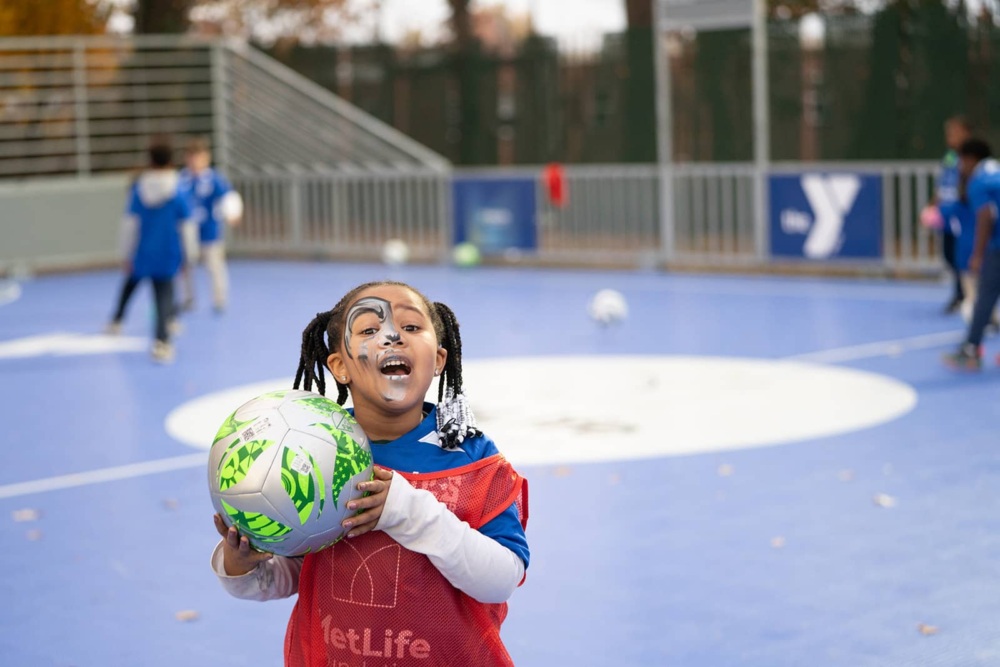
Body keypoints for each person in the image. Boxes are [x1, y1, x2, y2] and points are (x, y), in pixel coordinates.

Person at [210, 281, 530, 666]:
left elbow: (500, 581)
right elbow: (297, 573)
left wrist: (407, 511)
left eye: (411, 328)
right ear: (340, 366)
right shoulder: (312, 455)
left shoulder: (472, 459)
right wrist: (243, 567)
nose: (393, 336)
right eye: (368, 330)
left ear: (439, 359)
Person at [105, 136, 193, 363]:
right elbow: (186, 225)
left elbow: (130, 224)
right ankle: (162, 342)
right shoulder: (179, 190)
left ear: (150, 160)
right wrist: (190, 255)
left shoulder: (138, 188)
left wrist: (126, 253)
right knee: (163, 294)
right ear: (171, 160)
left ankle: (116, 320)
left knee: (131, 284)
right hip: (168, 251)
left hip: (143, 251)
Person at [944, 138, 1000, 370]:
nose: (959, 168)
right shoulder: (996, 171)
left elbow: (986, 215)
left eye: (960, 162)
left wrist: (977, 254)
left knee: (985, 295)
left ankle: (971, 350)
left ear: (970, 159)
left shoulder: (978, 182)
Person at [177, 137, 241, 313]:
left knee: (215, 267)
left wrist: (233, 213)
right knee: (185, 267)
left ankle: (219, 299)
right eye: (191, 157)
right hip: (188, 232)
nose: (195, 161)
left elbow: (229, 197)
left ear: (206, 158)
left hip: (210, 231)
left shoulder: (214, 179)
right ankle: (188, 298)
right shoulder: (182, 179)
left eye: (198, 157)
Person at [921, 116, 973, 314]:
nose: (951, 137)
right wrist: (931, 206)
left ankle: (972, 298)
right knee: (949, 255)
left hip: (964, 215)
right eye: (949, 133)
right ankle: (959, 293)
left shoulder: (971, 158)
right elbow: (942, 184)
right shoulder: (950, 157)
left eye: (955, 132)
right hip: (947, 216)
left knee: (966, 257)